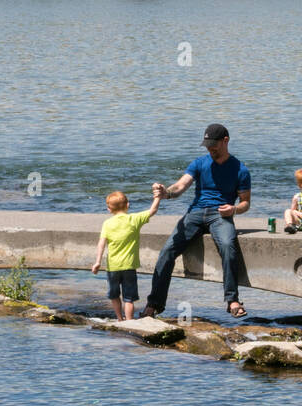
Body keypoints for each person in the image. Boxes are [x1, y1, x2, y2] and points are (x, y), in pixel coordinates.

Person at [139, 123, 252, 319]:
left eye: (213, 145)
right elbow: (181, 185)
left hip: (220, 214)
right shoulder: (199, 163)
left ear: (225, 141)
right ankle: (154, 304)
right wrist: (166, 193)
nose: (210, 149)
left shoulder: (240, 170)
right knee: (167, 251)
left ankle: (232, 300)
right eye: (207, 145)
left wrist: (233, 209)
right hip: (196, 212)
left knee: (228, 244)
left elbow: (245, 203)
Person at [90, 185, 162, 319]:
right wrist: (157, 197)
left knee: (114, 295)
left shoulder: (107, 223)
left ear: (109, 209)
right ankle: (129, 321)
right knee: (129, 298)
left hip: (113, 267)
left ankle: (119, 319)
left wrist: (97, 262)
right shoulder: (134, 219)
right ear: (128, 205)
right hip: (129, 266)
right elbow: (153, 210)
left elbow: (101, 243)